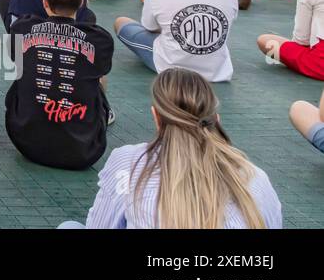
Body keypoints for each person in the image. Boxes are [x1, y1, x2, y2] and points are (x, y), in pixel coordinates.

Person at [61, 69, 280, 229]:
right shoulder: (254, 177)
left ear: (156, 118)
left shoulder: (128, 162)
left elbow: (99, 226)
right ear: (216, 120)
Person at [5, 0, 114, 170]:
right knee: (97, 75)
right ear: (82, 1)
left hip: (26, 142)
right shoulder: (100, 39)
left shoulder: (22, 27)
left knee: (23, 69)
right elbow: (101, 68)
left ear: (45, 2)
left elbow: (15, 57)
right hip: (83, 151)